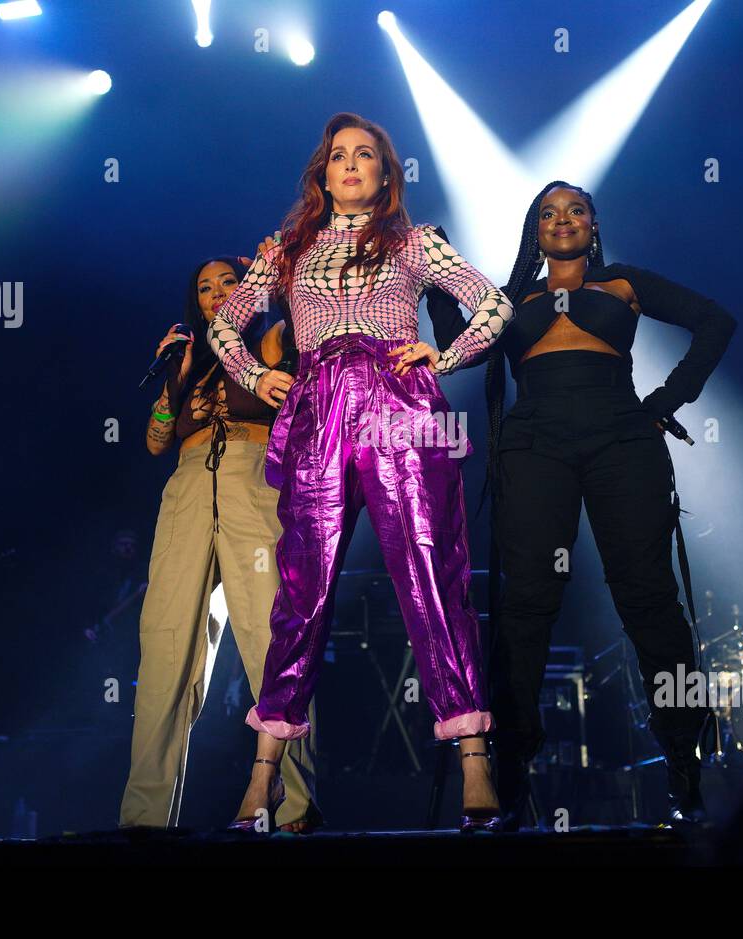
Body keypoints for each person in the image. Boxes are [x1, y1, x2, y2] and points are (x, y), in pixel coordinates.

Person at [208, 112, 514, 832]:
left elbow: (495, 303)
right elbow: (225, 321)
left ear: (385, 172)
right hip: (316, 407)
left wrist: (447, 354)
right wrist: (257, 374)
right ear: (323, 173)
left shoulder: (415, 242)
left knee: (432, 577)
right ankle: (266, 777)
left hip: (399, 404)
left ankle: (475, 762)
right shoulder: (286, 247)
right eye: (338, 155)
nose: (350, 165)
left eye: (365, 155)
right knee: (302, 590)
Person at [479, 181, 737, 827]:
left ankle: (684, 765)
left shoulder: (622, 282)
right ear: (533, 231)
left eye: (575, 210)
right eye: (548, 212)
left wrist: (667, 400)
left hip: (620, 433)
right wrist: (433, 281)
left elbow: (715, 320)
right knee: (526, 603)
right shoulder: (511, 299)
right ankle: (511, 773)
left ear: (593, 225)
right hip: (535, 438)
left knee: (647, 596)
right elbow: (462, 350)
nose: (562, 219)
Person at [119, 256, 320, 833]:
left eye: (228, 281)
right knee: (165, 647)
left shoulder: (273, 336)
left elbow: (302, 347)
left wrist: (278, 282)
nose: (215, 294)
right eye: (204, 288)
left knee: (272, 639)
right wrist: (172, 375)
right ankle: (144, 817)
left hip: (253, 479)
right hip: (185, 488)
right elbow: (156, 442)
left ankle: (296, 806)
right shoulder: (190, 360)